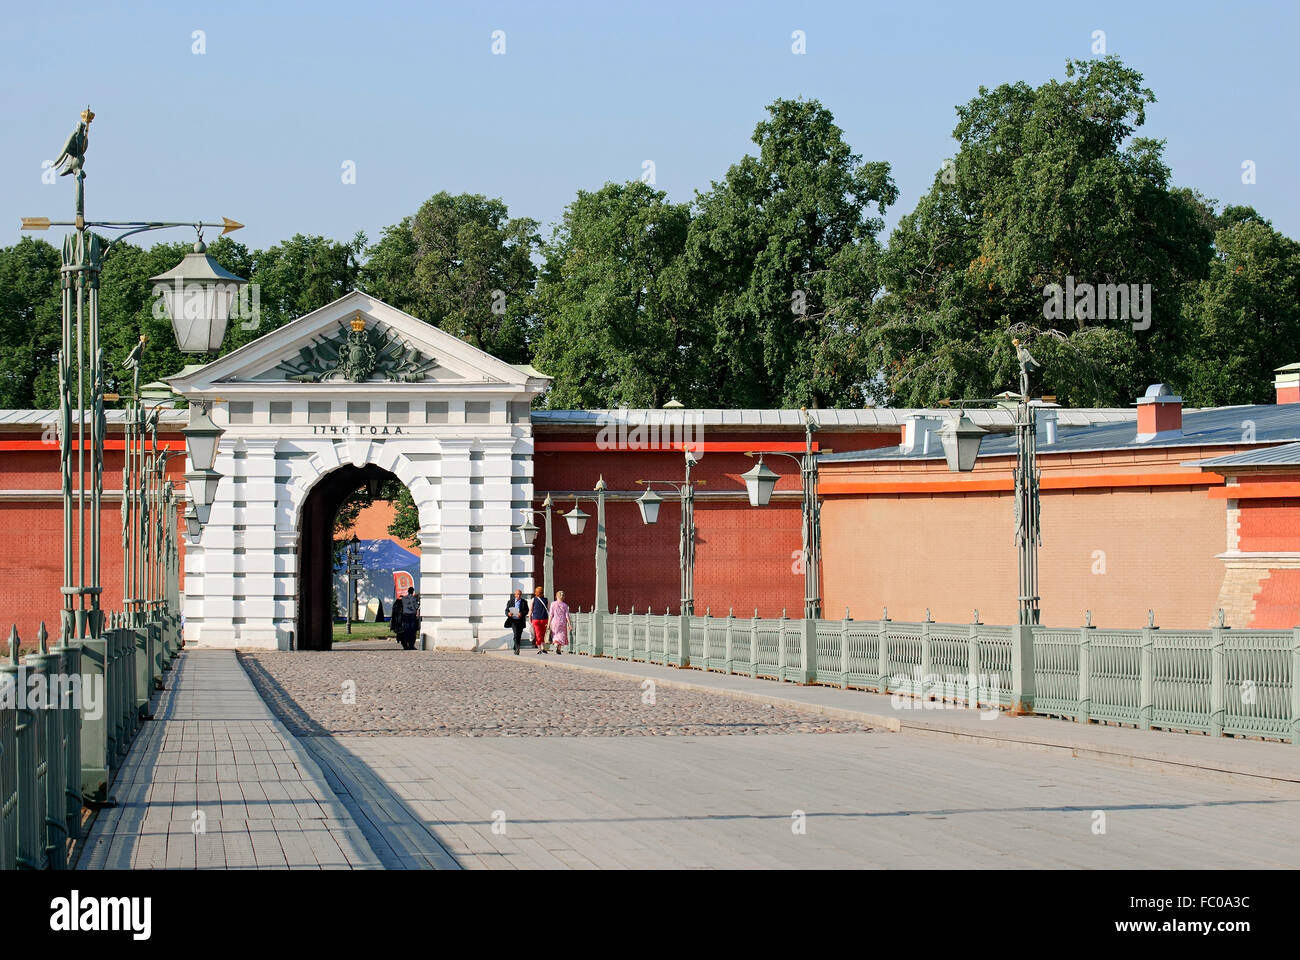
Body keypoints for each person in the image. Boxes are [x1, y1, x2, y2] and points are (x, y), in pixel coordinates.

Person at [547, 590, 571, 655]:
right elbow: (567, 616)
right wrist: (569, 624)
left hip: (555, 622)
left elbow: (551, 615)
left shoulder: (553, 604)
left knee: (555, 634)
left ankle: (556, 644)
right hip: (562, 622)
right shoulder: (565, 605)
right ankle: (559, 649)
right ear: (563, 597)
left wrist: (548, 624)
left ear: (556, 596)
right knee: (561, 635)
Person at [504, 588, 527, 655]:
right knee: (516, 633)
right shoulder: (510, 602)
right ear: (515, 595)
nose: (518, 596)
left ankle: (515, 646)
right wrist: (508, 614)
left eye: (520, 594)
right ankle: (517, 648)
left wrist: (521, 614)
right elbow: (506, 610)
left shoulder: (524, 602)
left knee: (519, 635)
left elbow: (526, 610)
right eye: (517, 594)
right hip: (513, 620)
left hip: (520, 620)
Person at [398, 586, 420, 650]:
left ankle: (405, 644)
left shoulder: (404, 598)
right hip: (412, 615)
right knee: (412, 631)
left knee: (406, 630)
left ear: (408, 591)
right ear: (412, 591)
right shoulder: (414, 599)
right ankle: (411, 645)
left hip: (405, 615)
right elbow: (416, 607)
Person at [529, 586, 549, 653]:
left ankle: (540, 648)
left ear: (536, 592)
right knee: (543, 634)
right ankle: (543, 647)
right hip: (544, 619)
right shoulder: (546, 600)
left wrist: (529, 619)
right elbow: (549, 610)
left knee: (538, 634)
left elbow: (531, 610)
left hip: (536, 619)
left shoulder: (533, 599)